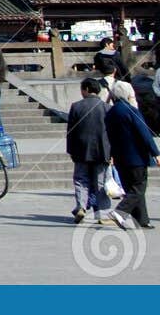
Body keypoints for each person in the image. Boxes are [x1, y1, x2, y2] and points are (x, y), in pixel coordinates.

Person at [67, 77, 128, 227]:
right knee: (101, 182)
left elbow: (71, 132)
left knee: (81, 180)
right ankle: (103, 214)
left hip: (81, 150)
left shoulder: (76, 107)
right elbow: (113, 133)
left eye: (82, 89)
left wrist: (71, 150)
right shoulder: (106, 108)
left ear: (86, 89)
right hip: (102, 151)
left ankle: (81, 207)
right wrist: (113, 153)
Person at [107, 84, 158, 229]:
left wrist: (110, 154)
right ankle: (120, 212)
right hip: (136, 157)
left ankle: (142, 219)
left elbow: (109, 137)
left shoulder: (110, 113)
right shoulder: (131, 110)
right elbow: (144, 133)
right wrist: (156, 153)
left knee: (131, 188)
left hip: (120, 157)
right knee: (139, 187)